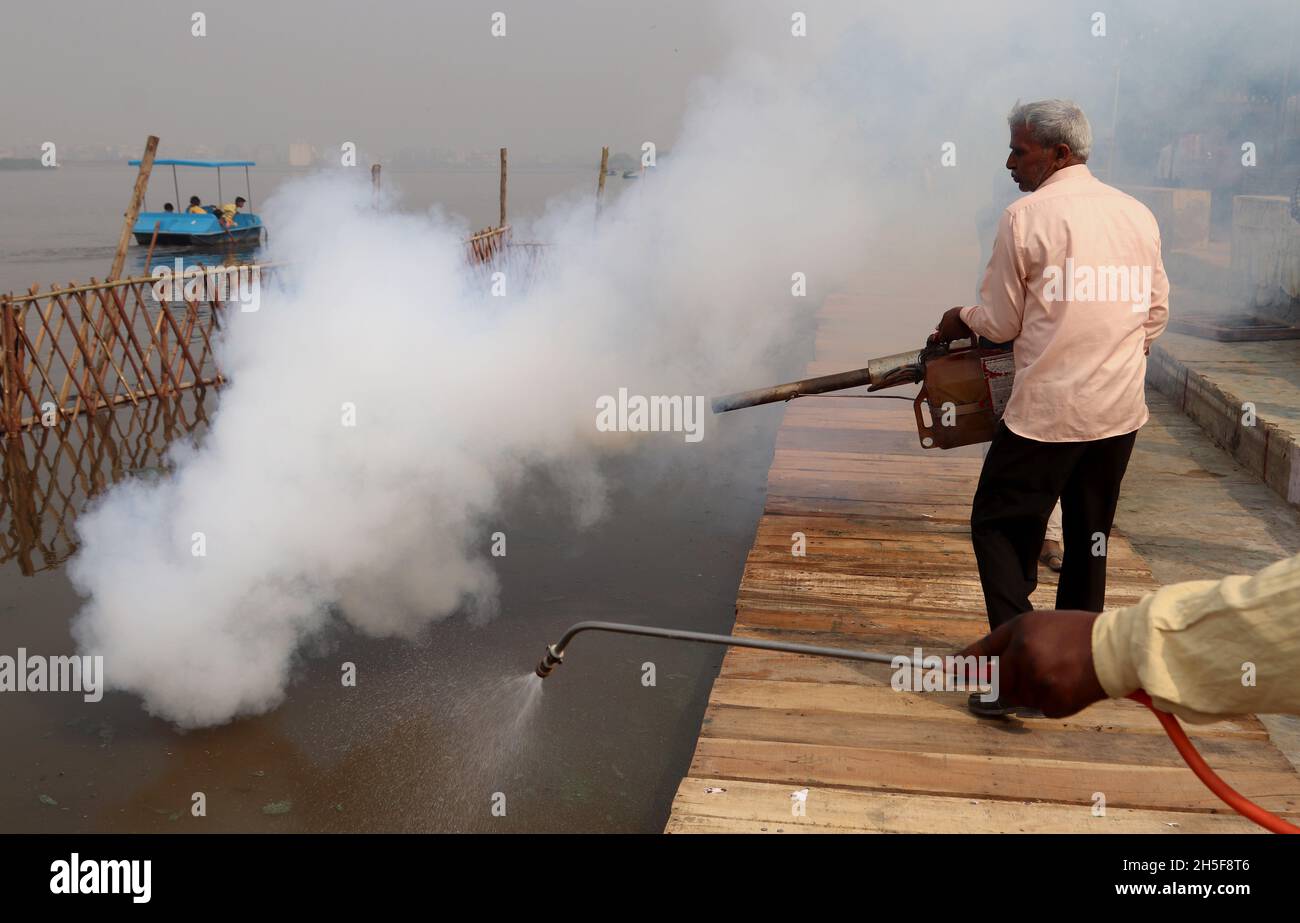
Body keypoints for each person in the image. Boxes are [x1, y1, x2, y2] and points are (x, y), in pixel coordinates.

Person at [932, 99, 1170, 716]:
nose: (1010, 163)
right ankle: (1074, 669)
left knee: (1000, 528)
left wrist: (959, 316)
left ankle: (1018, 672)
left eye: (1019, 150)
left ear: (1058, 153)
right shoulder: (1136, 213)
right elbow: (1157, 312)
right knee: (1090, 536)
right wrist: (1112, 351)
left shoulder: (1025, 216)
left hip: (1048, 414)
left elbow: (1004, 322)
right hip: (1118, 414)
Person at [958, 552, 1300, 721]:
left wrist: (1113, 646)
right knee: (1091, 526)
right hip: (1120, 423)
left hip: (1051, 425)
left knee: (996, 516)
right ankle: (1042, 663)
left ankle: (1023, 670)